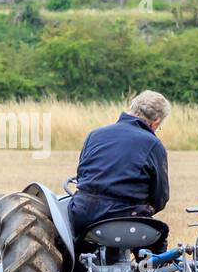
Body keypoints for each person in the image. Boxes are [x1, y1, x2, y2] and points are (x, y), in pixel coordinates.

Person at [68, 90, 171, 244]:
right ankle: (147, 267)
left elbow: (81, 176)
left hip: (82, 214)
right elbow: (160, 197)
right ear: (156, 122)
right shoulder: (153, 144)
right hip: (125, 218)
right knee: (156, 246)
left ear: (131, 108)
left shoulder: (94, 135)